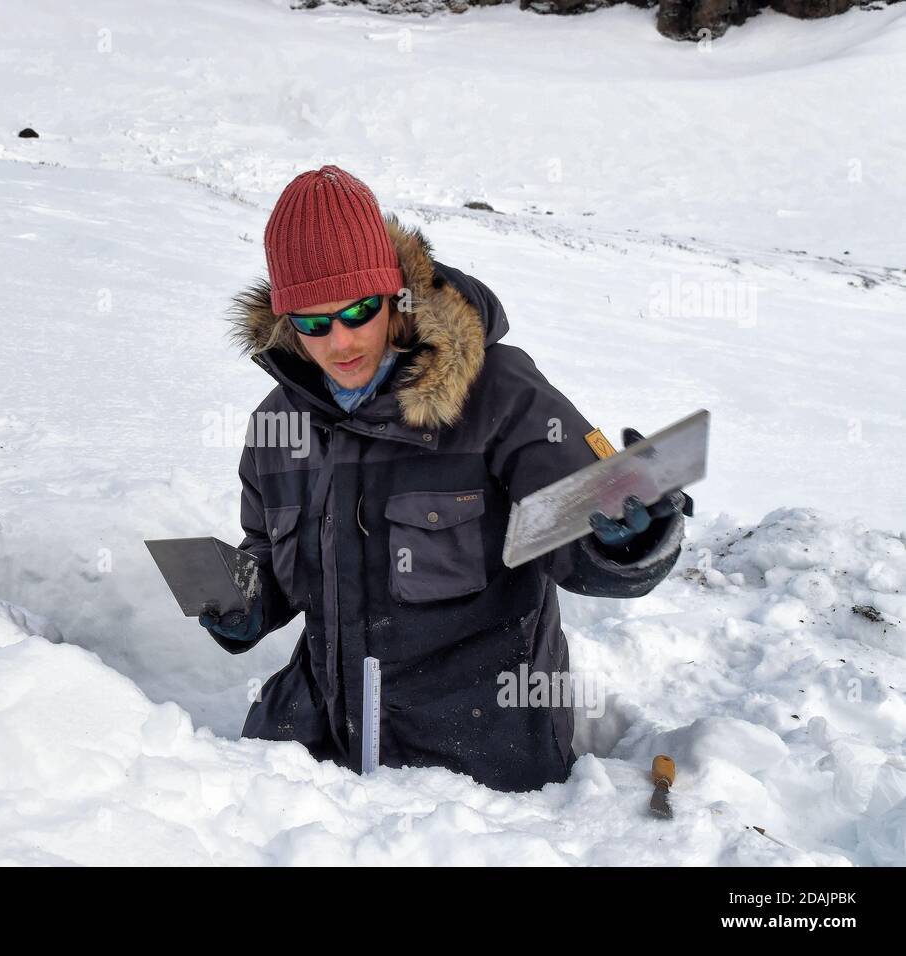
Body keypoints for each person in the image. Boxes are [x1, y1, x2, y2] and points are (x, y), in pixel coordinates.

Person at [200, 165, 687, 792]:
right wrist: (242, 601)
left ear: (395, 295)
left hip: (480, 762)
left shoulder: (500, 394)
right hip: (321, 751)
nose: (340, 341)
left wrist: (625, 542)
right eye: (313, 323)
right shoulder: (278, 426)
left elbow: (580, 543)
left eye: (358, 311)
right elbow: (273, 554)